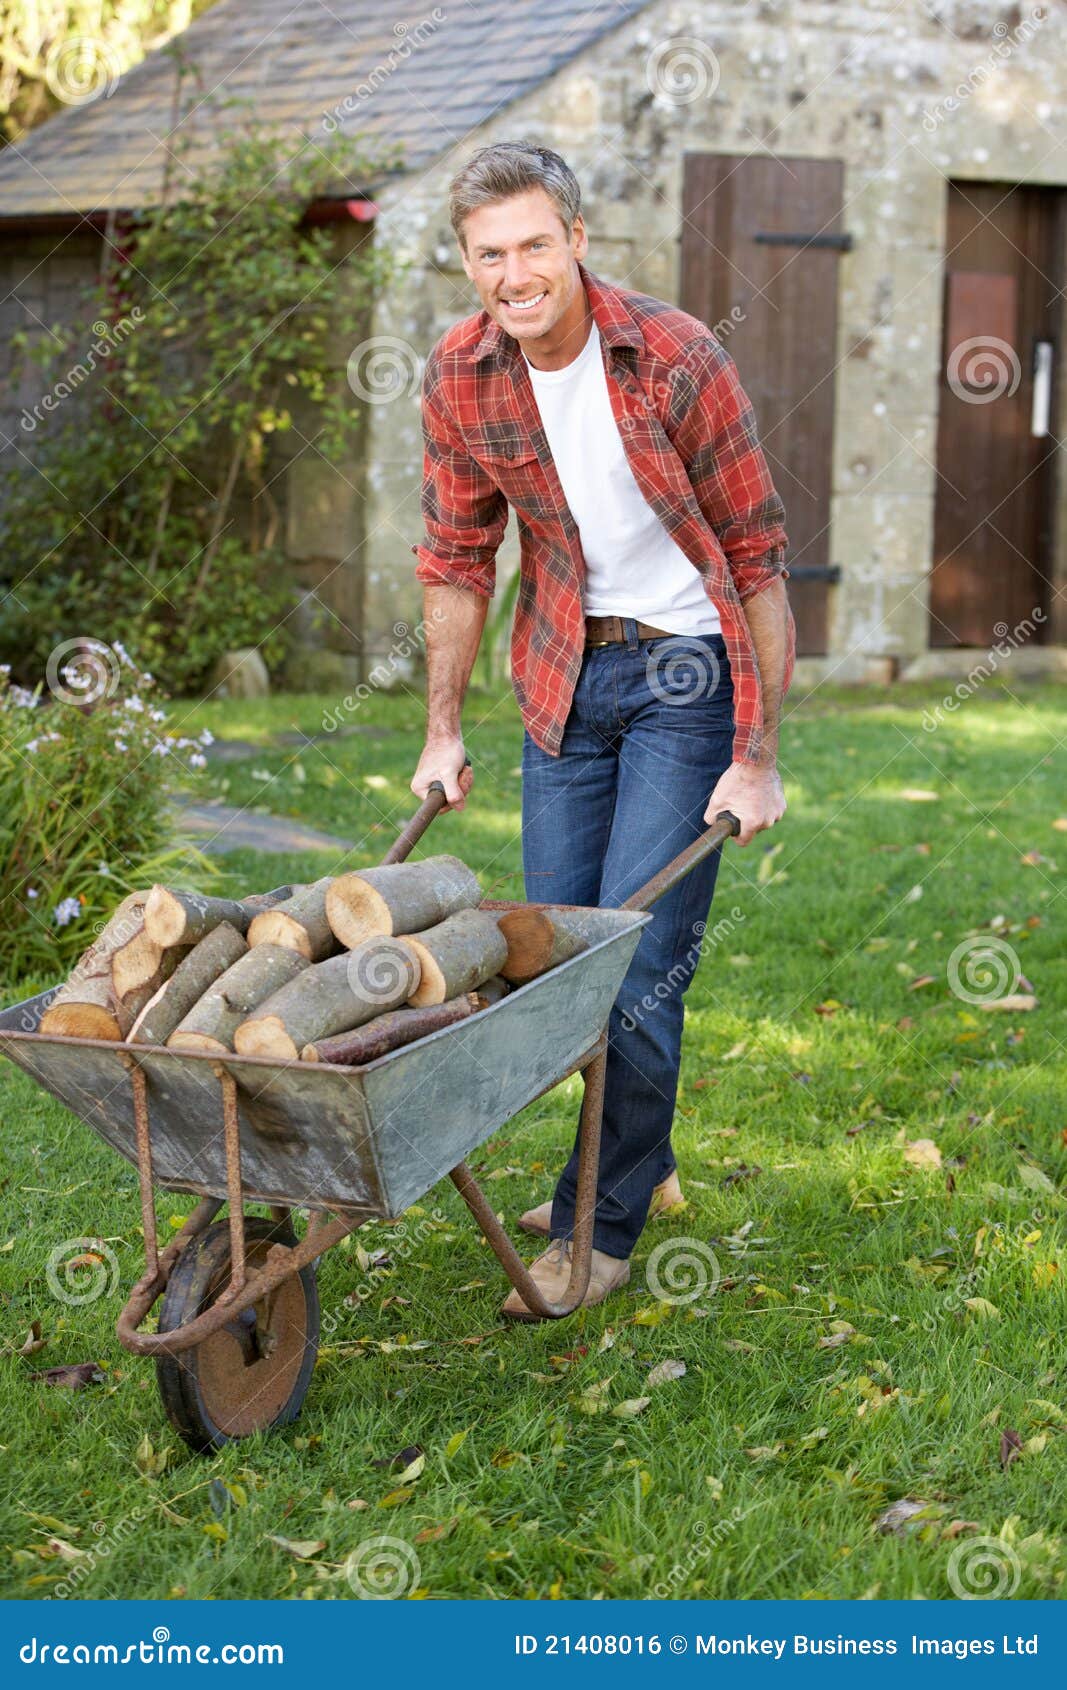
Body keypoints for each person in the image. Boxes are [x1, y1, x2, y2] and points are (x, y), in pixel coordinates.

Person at [410, 140, 794, 1321]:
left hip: (687, 675)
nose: (513, 272)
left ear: (576, 240)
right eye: (489, 253)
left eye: (534, 244)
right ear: (467, 263)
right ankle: (638, 1155)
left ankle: (602, 1226)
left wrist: (757, 752)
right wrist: (438, 729)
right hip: (563, 675)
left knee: (629, 963)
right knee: (556, 957)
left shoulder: (673, 357)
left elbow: (758, 559)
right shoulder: (461, 372)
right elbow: (455, 559)